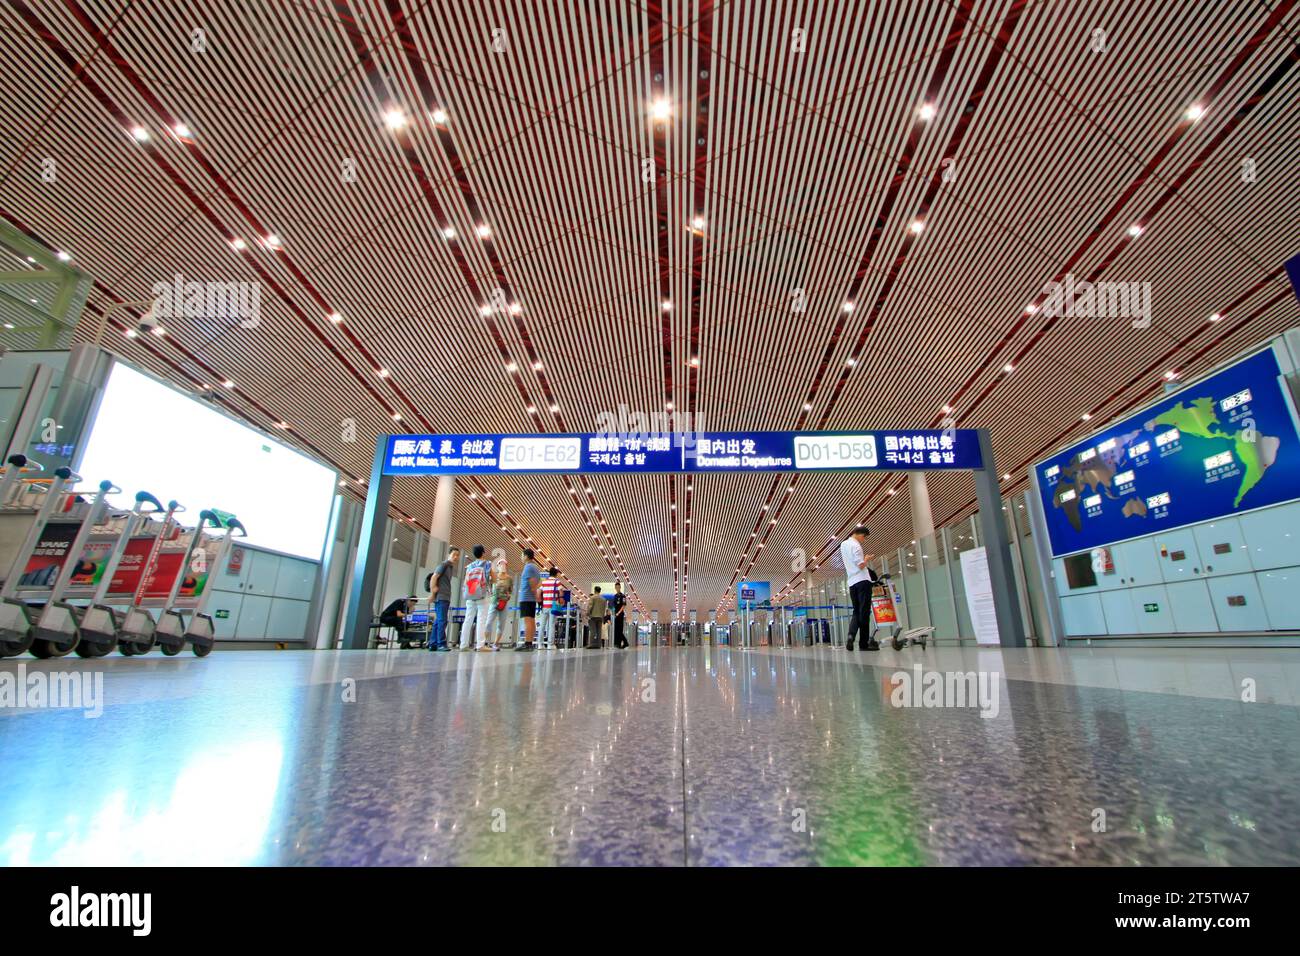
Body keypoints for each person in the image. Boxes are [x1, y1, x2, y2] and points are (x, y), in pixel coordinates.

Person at [839, 526, 878, 651]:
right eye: (864, 537)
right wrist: (866, 559)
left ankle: (851, 635)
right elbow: (861, 565)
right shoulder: (856, 546)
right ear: (860, 534)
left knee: (856, 611)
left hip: (852, 583)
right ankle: (863, 644)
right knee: (864, 613)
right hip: (862, 581)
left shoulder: (843, 544)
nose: (864, 540)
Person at [460, 544, 493, 650]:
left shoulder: (469, 566)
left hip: (470, 595)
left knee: (468, 619)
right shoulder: (487, 564)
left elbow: (466, 581)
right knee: (481, 620)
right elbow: (494, 578)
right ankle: (480, 645)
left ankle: (463, 645)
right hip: (482, 595)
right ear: (483, 552)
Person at [427, 547, 459, 652]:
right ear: (449, 554)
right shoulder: (444, 565)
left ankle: (433, 643)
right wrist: (432, 592)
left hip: (445, 597)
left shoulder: (449, 567)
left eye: (457, 555)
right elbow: (434, 577)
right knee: (442, 621)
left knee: (438, 621)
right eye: (454, 554)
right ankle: (441, 643)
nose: (456, 557)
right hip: (441, 597)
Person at [515, 548, 541, 651]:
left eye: (522, 555)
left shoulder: (529, 567)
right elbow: (537, 583)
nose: (521, 557)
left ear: (526, 556)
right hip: (529, 598)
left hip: (527, 597)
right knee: (531, 620)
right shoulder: (534, 567)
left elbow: (533, 584)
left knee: (528, 621)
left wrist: (535, 594)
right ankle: (529, 643)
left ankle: (528, 643)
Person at [485, 562, 513, 650]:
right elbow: (488, 586)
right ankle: (486, 643)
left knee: (501, 624)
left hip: (504, 602)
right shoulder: (494, 576)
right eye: (500, 564)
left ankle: (495, 643)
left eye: (504, 564)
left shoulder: (509, 578)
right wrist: (490, 594)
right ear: (497, 566)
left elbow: (511, 590)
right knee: (488, 622)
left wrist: (509, 595)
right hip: (494, 601)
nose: (503, 566)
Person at [537, 565, 561, 649]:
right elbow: (561, 593)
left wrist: (540, 602)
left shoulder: (544, 582)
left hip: (545, 606)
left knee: (542, 625)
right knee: (551, 625)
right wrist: (561, 600)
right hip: (553, 606)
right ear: (556, 574)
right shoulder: (557, 582)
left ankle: (540, 644)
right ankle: (550, 644)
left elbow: (538, 592)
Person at [610, 580, 628, 648]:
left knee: (619, 629)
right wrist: (613, 613)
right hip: (615, 614)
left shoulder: (622, 596)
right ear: (615, 588)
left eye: (618, 587)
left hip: (620, 614)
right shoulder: (614, 596)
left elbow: (623, 605)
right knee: (616, 629)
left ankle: (624, 642)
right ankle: (618, 643)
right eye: (616, 587)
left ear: (620, 587)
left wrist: (618, 613)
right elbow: (613, 606)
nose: (617, 588)